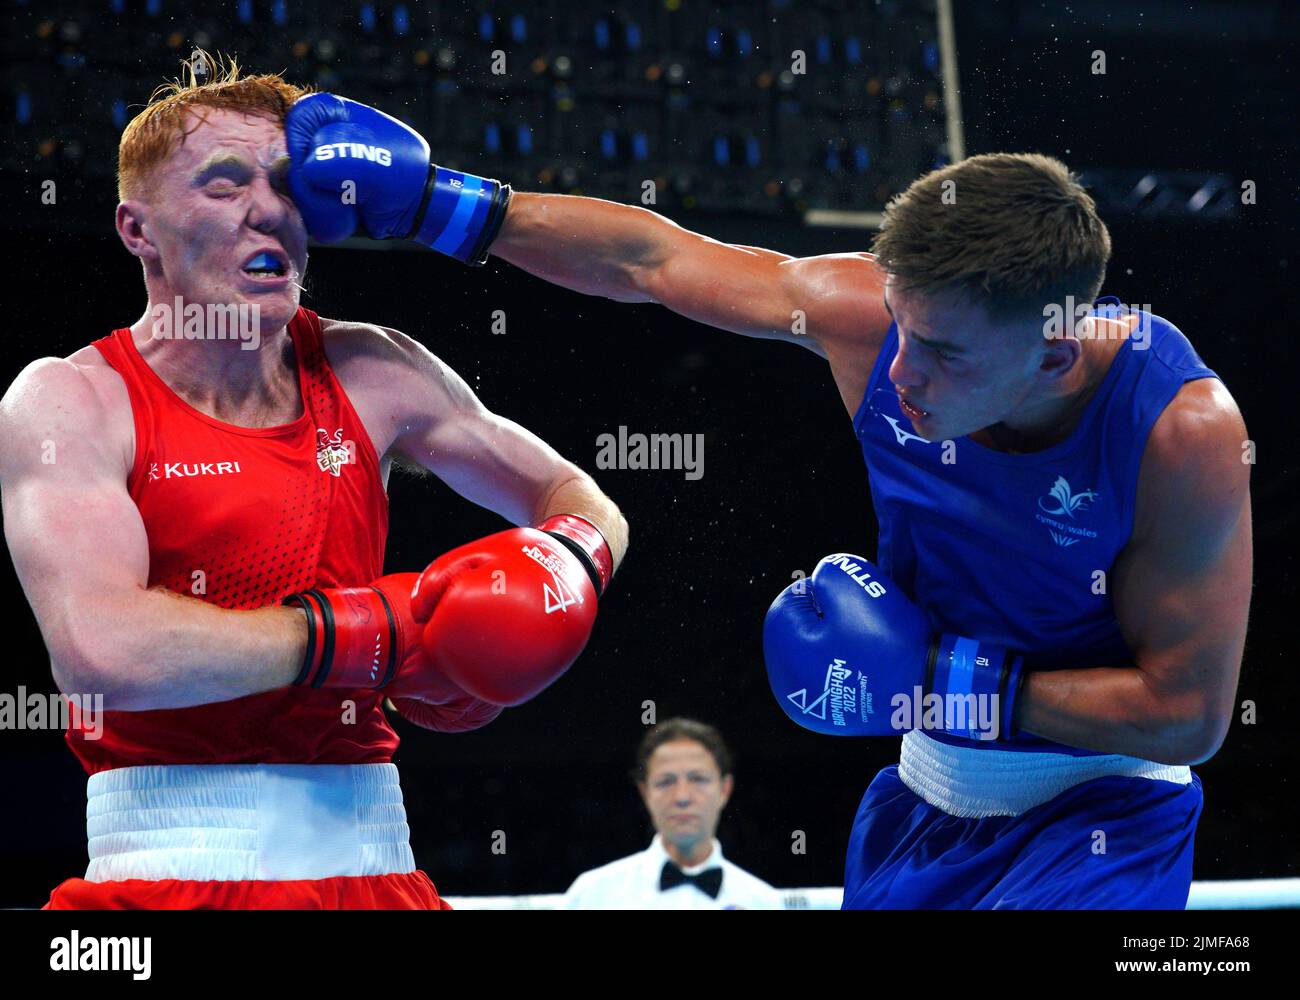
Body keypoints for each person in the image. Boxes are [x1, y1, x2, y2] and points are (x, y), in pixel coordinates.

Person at [288, 96, 1251, 909]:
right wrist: (439, 204)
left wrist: (938, 676)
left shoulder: (1178, 430)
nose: (901, 374)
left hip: (1104, 820)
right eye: (902, 330)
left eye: (946, 353)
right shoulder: (870, 321)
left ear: (1051, 351)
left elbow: (1188, 716)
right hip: (925, 798)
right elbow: (650, 262)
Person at [0, 56, 627, 910]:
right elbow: (104, 655)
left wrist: (549, 590)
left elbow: (583, 503)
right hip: (161, 874)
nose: (267, 209)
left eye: (288, 185)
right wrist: (379, 635)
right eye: (223, 186)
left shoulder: (374, 368)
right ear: (136, 229)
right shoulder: (71, 400)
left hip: (377, 869)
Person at [561, 718, 782, 909]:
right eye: (666, 782)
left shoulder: (761, 902)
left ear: (724, 789)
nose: (682, 797)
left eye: (698, 779)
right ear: (645, 791)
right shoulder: (594, 895)